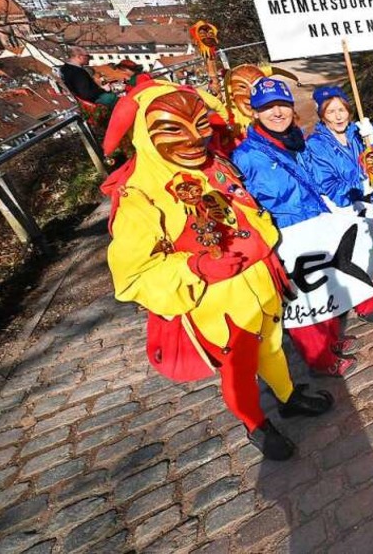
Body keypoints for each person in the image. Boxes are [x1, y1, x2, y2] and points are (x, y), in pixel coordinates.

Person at [102, 82, 333, 461]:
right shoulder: (140, 195)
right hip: (218, 301)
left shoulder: (215, 163)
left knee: (273, 345)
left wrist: (266, 248)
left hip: (260, 280)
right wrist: (196, 267)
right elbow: (133, 276)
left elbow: (246, 209)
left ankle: (288, 397)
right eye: (175, 129)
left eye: (198, 124)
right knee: (238, 365)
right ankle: (256, 424)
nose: (194, 138)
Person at [231, 78, 363, 378]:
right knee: (303, 297)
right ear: (254, 113)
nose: (276, 113)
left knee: (323, 285)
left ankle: (330, 340)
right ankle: (319, 359)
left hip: (313, 225)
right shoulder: (247, 157)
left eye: (282, 105)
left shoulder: (296, 141)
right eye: (267, 108)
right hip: (286, 234)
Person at [303, 85, 373, 211]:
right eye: (331, 112)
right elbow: (331, 188)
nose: (338, 117)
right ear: (322, 116)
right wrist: (363, 187)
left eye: (341, 110)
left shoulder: (359, 133)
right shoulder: (316, 145)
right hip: (348, 212)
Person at [60, 46, 117, 126]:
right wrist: (104, 89)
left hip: (84, 104)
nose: (90, 58)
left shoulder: (65, 69)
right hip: (92, 104)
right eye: (87, 56)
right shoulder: (77, 72)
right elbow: (87, 94)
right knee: (114, 98)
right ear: (79, 57)